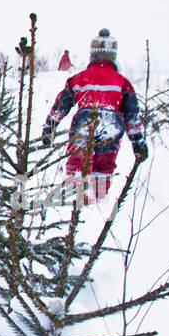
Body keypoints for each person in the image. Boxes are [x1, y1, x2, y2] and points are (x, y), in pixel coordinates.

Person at [41, 28, 148, 205]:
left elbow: (62, 104)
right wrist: (138, 143)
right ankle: (97, 200)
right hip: (112, 124)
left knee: (78, 158)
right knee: (104, 163)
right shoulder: (121, 81)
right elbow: (131, 116)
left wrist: (50, 127)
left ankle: (77, 196)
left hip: (85, 119)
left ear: (93, 55)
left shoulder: (81, 78)